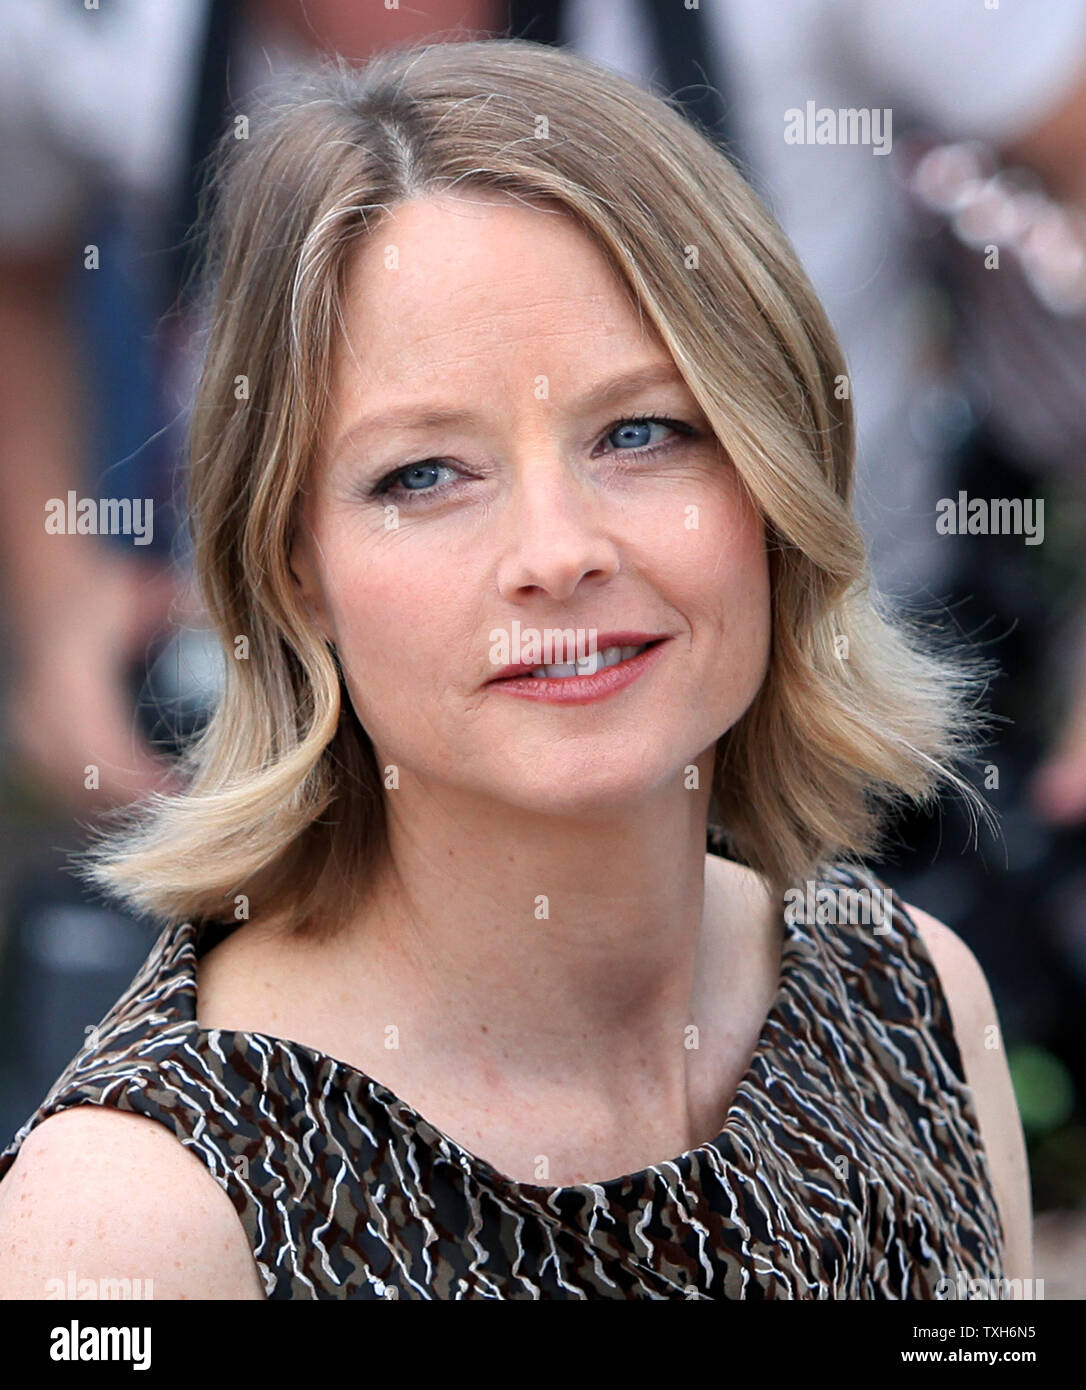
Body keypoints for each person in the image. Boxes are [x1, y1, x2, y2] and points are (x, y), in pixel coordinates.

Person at [0, 39, 1029, 1300]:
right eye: (423, 474)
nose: (558, 553)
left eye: (641, 432)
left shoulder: (913, 999)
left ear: (778, 476)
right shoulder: (137, 1218)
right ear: (289, 568)